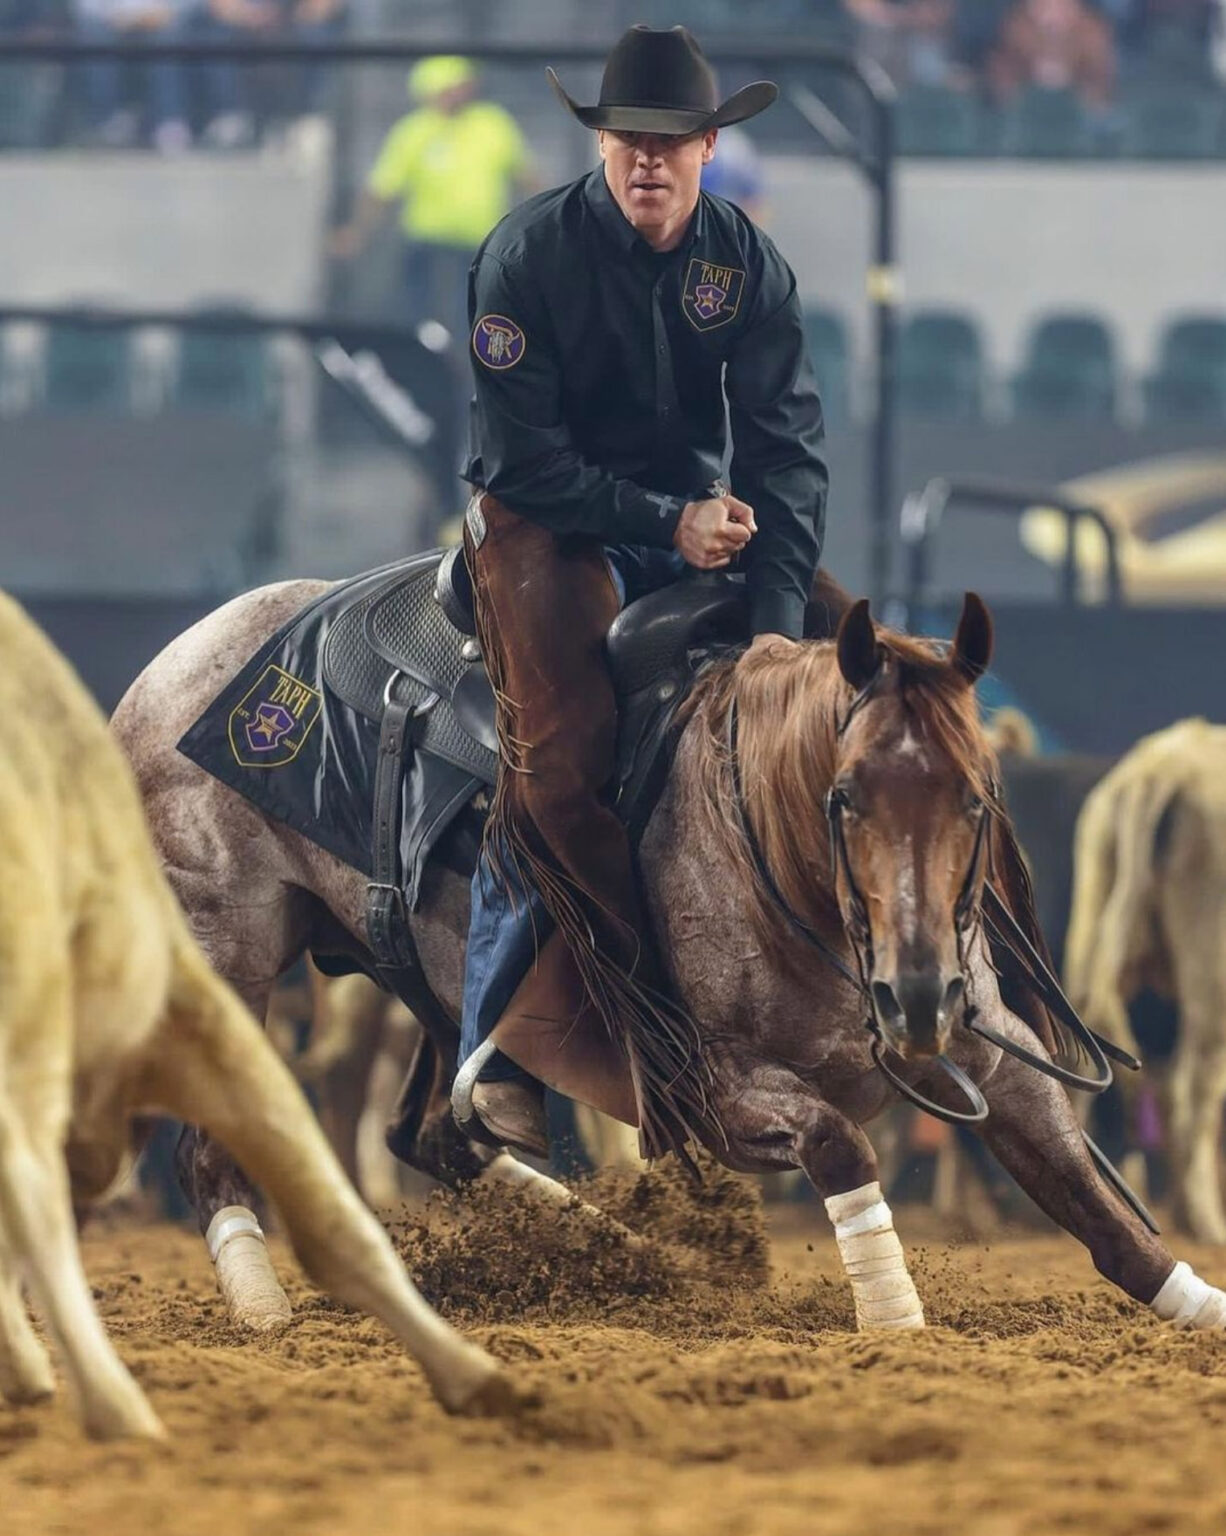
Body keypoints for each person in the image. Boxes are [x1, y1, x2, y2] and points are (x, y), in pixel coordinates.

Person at [457, 26, 828, 1157]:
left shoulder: (748, 267)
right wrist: (669, 522)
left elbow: (786, 455)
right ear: (601, 145)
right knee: (559, 756)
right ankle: (495, 1050)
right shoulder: (525, 256)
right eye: (627, 138)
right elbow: (521, 463)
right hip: (542, 525)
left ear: (710, 148)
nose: (647, 159)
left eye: (670, 141)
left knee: (846, 673)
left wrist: (775, 635)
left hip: (692, 522)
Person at [329, 55, 533, 349]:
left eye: (463, 84)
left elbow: (527, 177)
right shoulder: (413, 131)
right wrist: (356, 232)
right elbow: (382, 190)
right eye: (451, 86)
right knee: (417, 318)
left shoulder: (493, 123)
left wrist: (546, 224)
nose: (460, 92)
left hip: (480, 246)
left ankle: (469, 369)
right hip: (425, 244)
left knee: (475, 318)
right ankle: (420, 363)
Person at [989, 0, 1117, 109]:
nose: (1053, 14)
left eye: (1061, 5)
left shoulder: (1092, 33)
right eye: (1044, 5)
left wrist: (1076, 76)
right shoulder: (1017, 28)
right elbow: (1001, 75)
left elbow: (1102, 79)